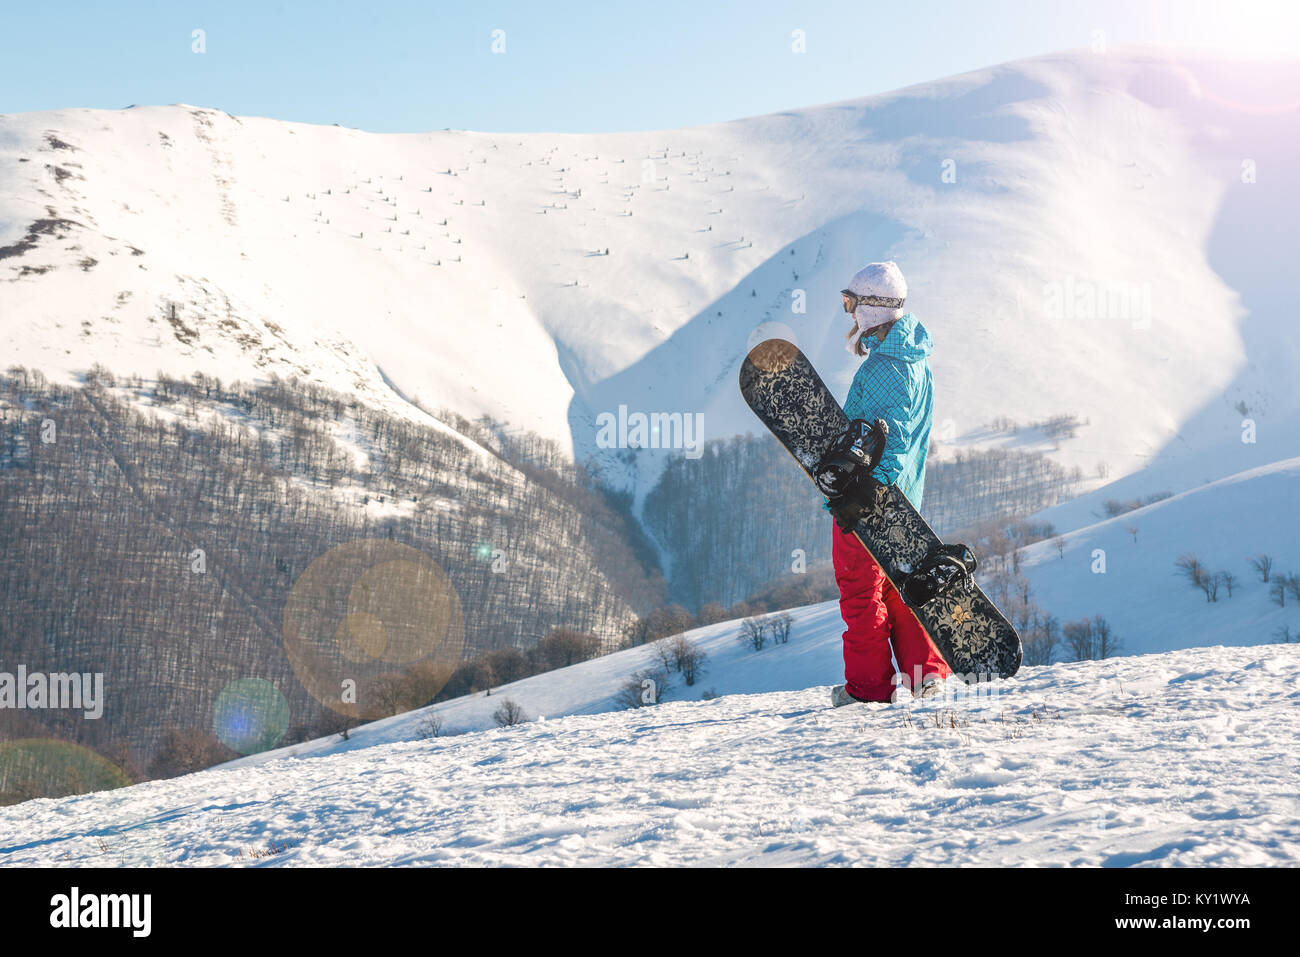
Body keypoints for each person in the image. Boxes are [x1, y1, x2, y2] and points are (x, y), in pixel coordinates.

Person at [827, 261, 952, 706]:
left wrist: (863, 495)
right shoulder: (915, 360)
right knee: (901, 589)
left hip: (870, 503)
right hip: (904, 501)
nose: (850, 314)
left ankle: (868, 690)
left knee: (862, 594)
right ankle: (926, 676)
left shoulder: (886, 367)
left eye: (851, 303)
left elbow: (889, 438)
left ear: (873, 308)